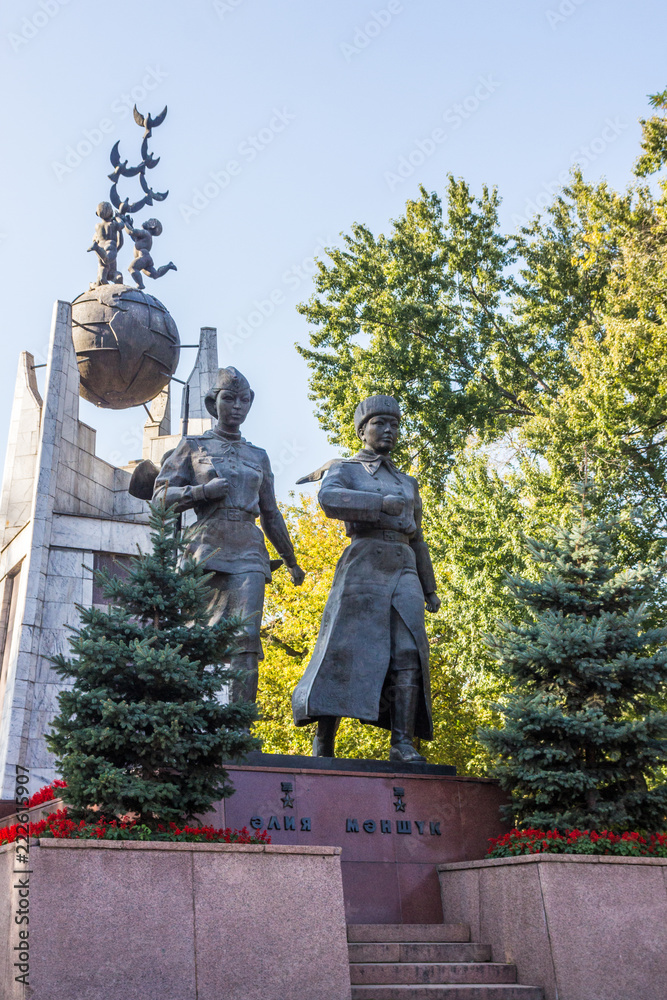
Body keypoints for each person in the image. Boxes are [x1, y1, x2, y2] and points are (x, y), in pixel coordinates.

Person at [292, 394, 440, 763]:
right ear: (362, 430)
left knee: (408, 653)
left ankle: (402, 744)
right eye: (380, 423)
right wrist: (378, 505)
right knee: (343, 653)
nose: (389, 430)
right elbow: (328, 499)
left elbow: (418, 537)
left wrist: (430, 586)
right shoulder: (347, 468)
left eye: (394, 424)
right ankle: (324, 738)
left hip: (403, 565)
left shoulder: (408, 482)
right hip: (364, 565)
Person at [153, 366, 305, 703]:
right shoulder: (191, 446)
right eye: (229, 398)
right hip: (205, 544)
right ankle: (188, 715)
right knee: (197, 635)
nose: (237, 406)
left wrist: (291, 560)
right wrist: (203, 492)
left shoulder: (258, 456)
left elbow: (271, 512)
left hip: (249, 549)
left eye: (244, 400)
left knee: (247, 635)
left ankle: (242, 726)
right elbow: (160, 499)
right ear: (213, 403)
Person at [121, 215, 177, 289]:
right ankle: (169, 266)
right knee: (155, 274)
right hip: (145, 258)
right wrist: (129, 224)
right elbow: (135, 237)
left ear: (152, 226)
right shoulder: (146, 236)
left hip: (143, 257)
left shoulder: (145, 233)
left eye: (148, 221)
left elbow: (131, 232)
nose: (146, 221)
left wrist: (125, 222)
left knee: (132, 268)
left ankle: (140, 284)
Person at [87, 201, 124, 286]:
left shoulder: (97, 226)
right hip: (110, 246)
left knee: (103, 266)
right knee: (107, 260)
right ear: (111, 213)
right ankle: (97, 249)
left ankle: (102, 278)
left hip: (101, 245)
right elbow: (121, 225)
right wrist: (118, 217)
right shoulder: (112, 224)